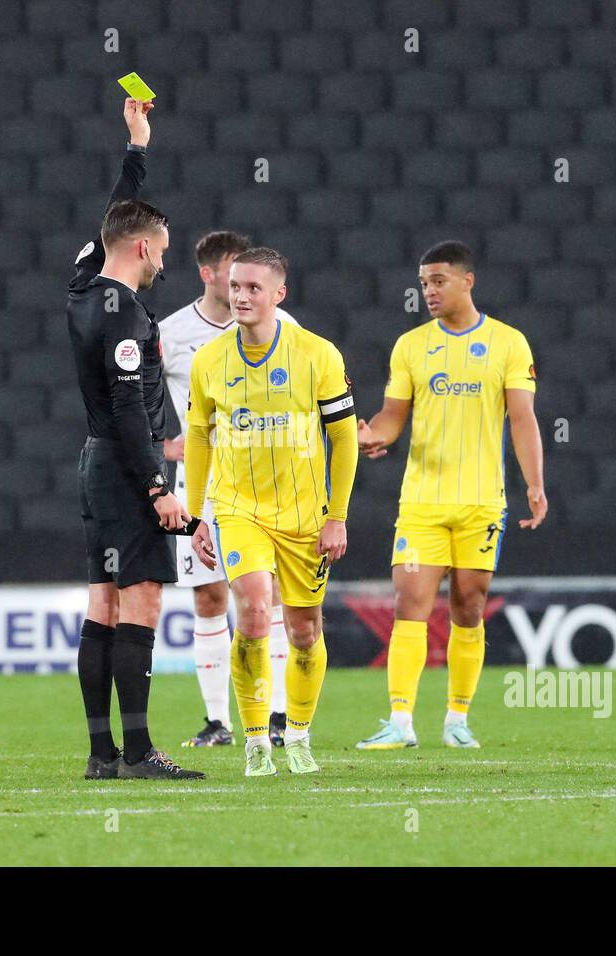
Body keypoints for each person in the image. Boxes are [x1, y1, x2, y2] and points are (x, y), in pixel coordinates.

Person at [353, 241, 545, 750]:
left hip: (482, 501)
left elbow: (522, 419)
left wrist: (534, 483)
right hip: (421, 502)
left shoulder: (509, 344)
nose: (429, 292)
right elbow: (393, 415)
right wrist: (373, 435)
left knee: (469, 606)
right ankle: (400, 721)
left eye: (438, 281)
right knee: (409, 602)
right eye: (423, 283)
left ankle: (457, 719)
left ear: (467, 281)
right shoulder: (410, 345)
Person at [66, 97, 202, 781]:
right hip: (125, 469)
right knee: (140, 599)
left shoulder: (85, 286)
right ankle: (140, 751)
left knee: (102, 602)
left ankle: (102, 754)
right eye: (161, 254)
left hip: (94, 466)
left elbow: (115, 220)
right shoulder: (124, 315)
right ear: (144, 249)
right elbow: (128, 411)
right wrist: (158, 489)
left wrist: (137, 148)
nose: (162, 265)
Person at [183, 247, 358, 776]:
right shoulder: (209, 359)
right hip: (239, 509)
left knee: (304, 629)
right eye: (235, 286)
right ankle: (256, 740)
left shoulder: (317, 354)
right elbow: (197, 436)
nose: (240, 296)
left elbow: (344, 438)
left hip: (305, 514)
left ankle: (299, 735)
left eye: (253, 288)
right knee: (256, 610)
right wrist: (197, 516)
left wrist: (337, 515)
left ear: (279, 294)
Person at [159, 231, 298, 748]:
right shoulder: (170, 334)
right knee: (211, 596)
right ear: (208, 274)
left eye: (250, 279)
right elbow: (136, 393)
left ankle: (279, 714)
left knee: (271, 595)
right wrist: (162, 444)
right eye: (232, 276)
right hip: (202, 480)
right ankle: (218, 721)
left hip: (267, 481)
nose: (242, 289)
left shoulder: (286, 329)